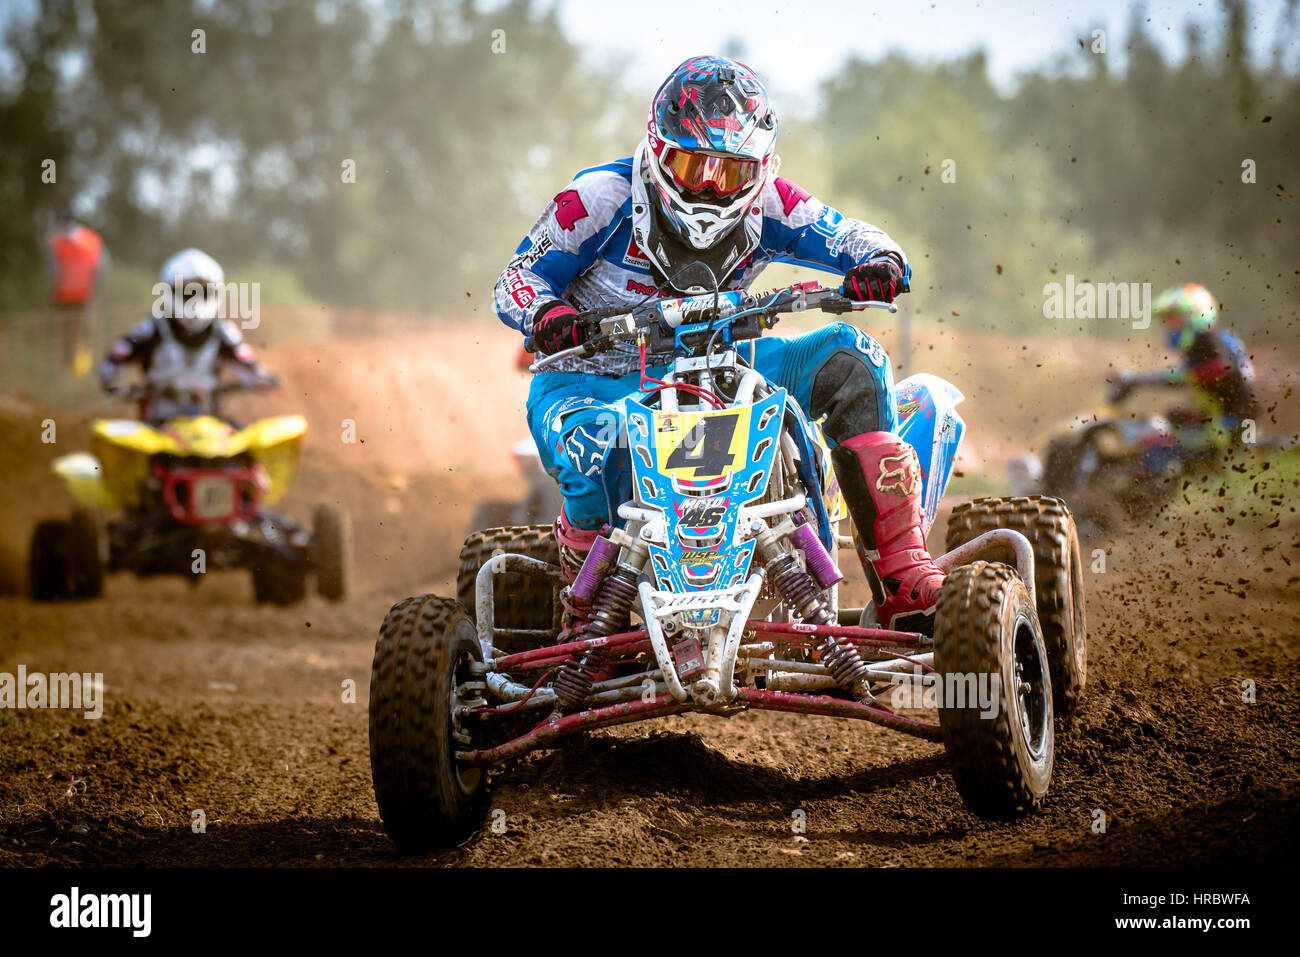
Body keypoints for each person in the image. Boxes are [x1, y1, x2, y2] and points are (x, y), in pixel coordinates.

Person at [494, 55, 943, 635]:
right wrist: (547, 311)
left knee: (853, 359)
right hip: (595, 376)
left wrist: (879, 262)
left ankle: (903, 573)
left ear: (758, 170)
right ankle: (587, 616)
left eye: (727, 172)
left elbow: (851, 234)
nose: (707, 185)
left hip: (720, 364)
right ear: (656, 150)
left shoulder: (770, 203)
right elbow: (517, 276)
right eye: (690, 164)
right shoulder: (600, 197)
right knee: (596, 446)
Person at [99, 248, 277, 423]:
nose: (195, 301)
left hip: (208, 426)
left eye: (203, 292)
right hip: (156, 427)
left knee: (250, 446)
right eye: (187, 292)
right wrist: (113, 380)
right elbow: (115, 359)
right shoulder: (151, 329)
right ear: (169, 292)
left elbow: (248, 363)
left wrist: (263, 378)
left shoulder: (223, 332)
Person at [1110, 283, 1258, 465]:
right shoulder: (1217, 340)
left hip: (1231, 428)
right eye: (1166, 321)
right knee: (1169, 420)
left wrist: (1140, 379)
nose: (1169, 326)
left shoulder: (1208, 340)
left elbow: (1217, 370)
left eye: (1174, 319)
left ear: (1195, 316)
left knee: (1152, 448)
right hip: (1231, 423)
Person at [46, 208, 108, 375]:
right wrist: (95, 289)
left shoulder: (56, 241)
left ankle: (68, 368)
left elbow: (52, 272)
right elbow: (102, 268)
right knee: (84, 335)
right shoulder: (91, 239)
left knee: (66, 336)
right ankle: (81, 370)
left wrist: (51, 292)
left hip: (63, 297)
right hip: (84, 296)